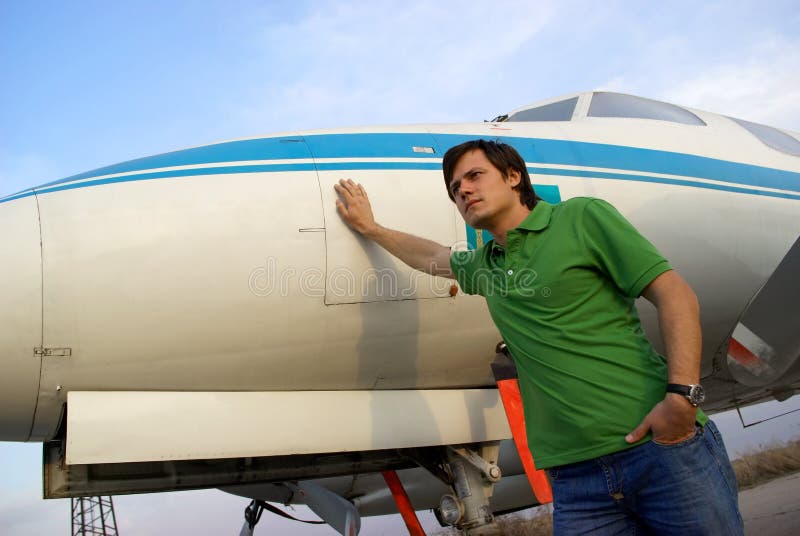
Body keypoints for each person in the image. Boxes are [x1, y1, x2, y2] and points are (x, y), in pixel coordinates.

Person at [334, 139, 743, 535]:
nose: (464, 191)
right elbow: (431, 257)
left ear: (513, 176)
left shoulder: (580, 218)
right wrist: (371, 228)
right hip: (574, 478)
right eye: (456, 189)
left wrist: (682, 398)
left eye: (475, 176)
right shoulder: (485, 266)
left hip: (660, 450)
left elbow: (675, 295)